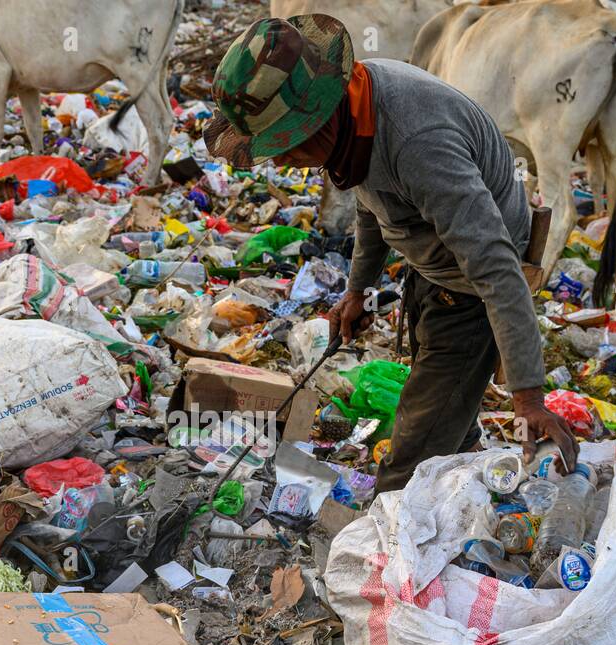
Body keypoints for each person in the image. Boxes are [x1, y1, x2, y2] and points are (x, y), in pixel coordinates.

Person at [203, 14, 579, 491]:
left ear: (319, 118)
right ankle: (458, 495)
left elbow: (498, 272)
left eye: (283, 144)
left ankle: (388, 554)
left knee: (408, 467)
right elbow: (372, 202)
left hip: (469, 294)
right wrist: (358, 289)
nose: (279, 159)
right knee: (446, 427)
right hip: (431, 273)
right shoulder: (356, 109)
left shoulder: (419, 144)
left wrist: (528, 401)